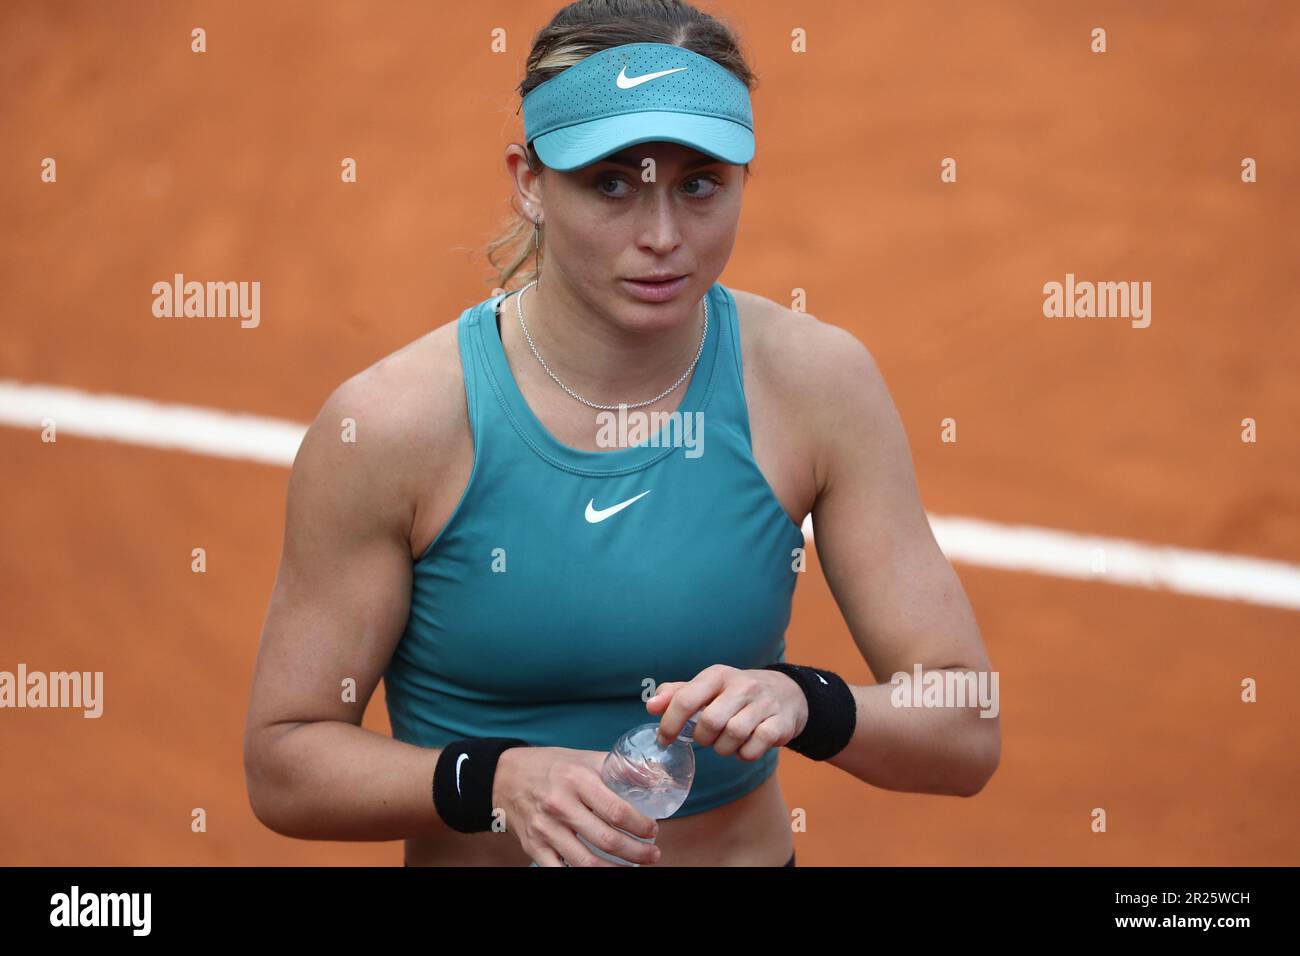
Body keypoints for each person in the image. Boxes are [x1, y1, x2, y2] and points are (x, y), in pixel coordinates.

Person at [243, 0, 998, 867]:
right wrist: (489, 783)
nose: (664, 237)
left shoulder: (818, 383)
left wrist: (808, 701)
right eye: (612, 183)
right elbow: (284, 761)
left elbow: (967, 729)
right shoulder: (392, 427)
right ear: (529, 182)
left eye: (700, 183)